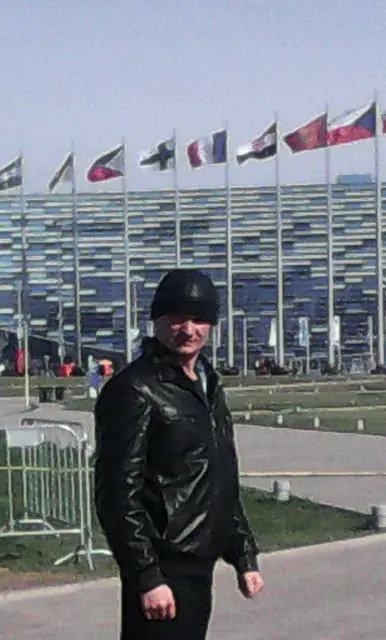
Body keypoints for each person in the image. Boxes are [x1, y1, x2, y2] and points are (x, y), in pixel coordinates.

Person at [94, 268, 264, 640]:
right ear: (157, 321)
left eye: (199, 319)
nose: (189, 329)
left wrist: (242, 553)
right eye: (177, 318)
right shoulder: (134, 390)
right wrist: (146, 575)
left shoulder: (207, 384)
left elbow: (218, 476)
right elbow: (117, 494)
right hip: (165, 566)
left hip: (199, 563)